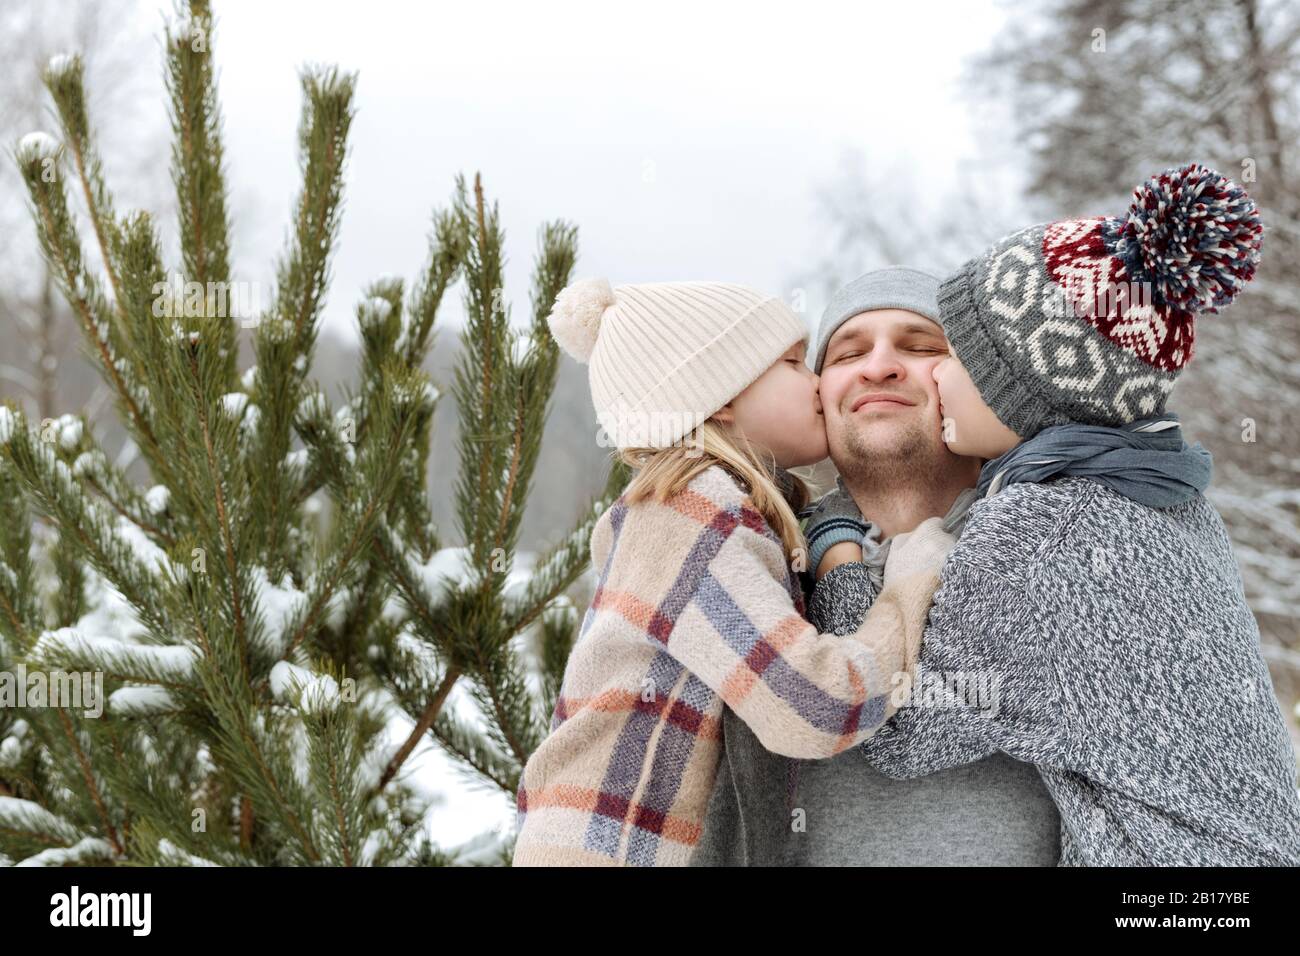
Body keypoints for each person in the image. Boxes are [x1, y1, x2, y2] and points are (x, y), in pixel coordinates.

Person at [821, 163, 1300, 864]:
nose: (934, 377)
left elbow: (893, 724)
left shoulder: (1044, 531)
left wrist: (836, 545)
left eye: (954, 355)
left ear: (1021, 387)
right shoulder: (1165, 501)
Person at [512, 278, 951, 866]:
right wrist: (909, 583)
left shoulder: (695, 513)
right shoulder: (695, 514)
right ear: (719, 397)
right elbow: (815, 707)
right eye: (795, 363)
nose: (818, 382)